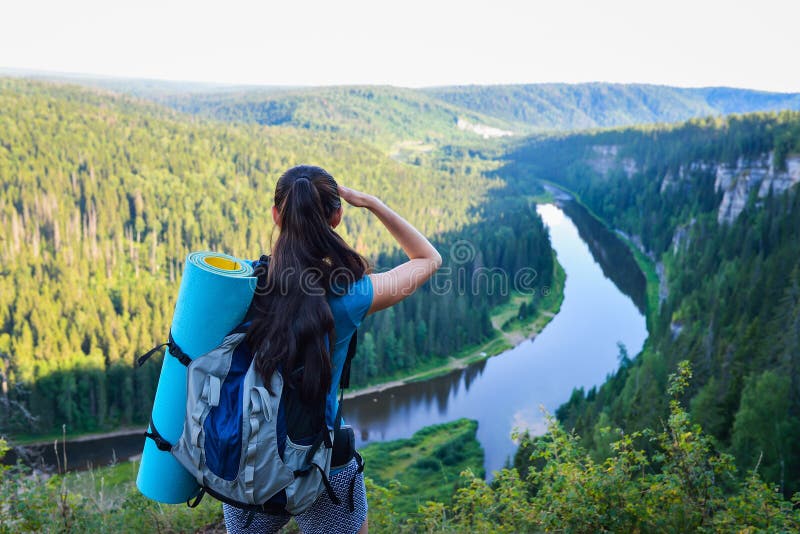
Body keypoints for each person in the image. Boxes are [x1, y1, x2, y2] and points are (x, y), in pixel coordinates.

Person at [223, 165, 442, 534]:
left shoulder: (243, 284)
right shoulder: (350, 295)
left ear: (277, 215)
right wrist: (371, 203)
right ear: (337, 217)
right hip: (323, 466)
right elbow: (428, 259)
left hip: (250, 463)